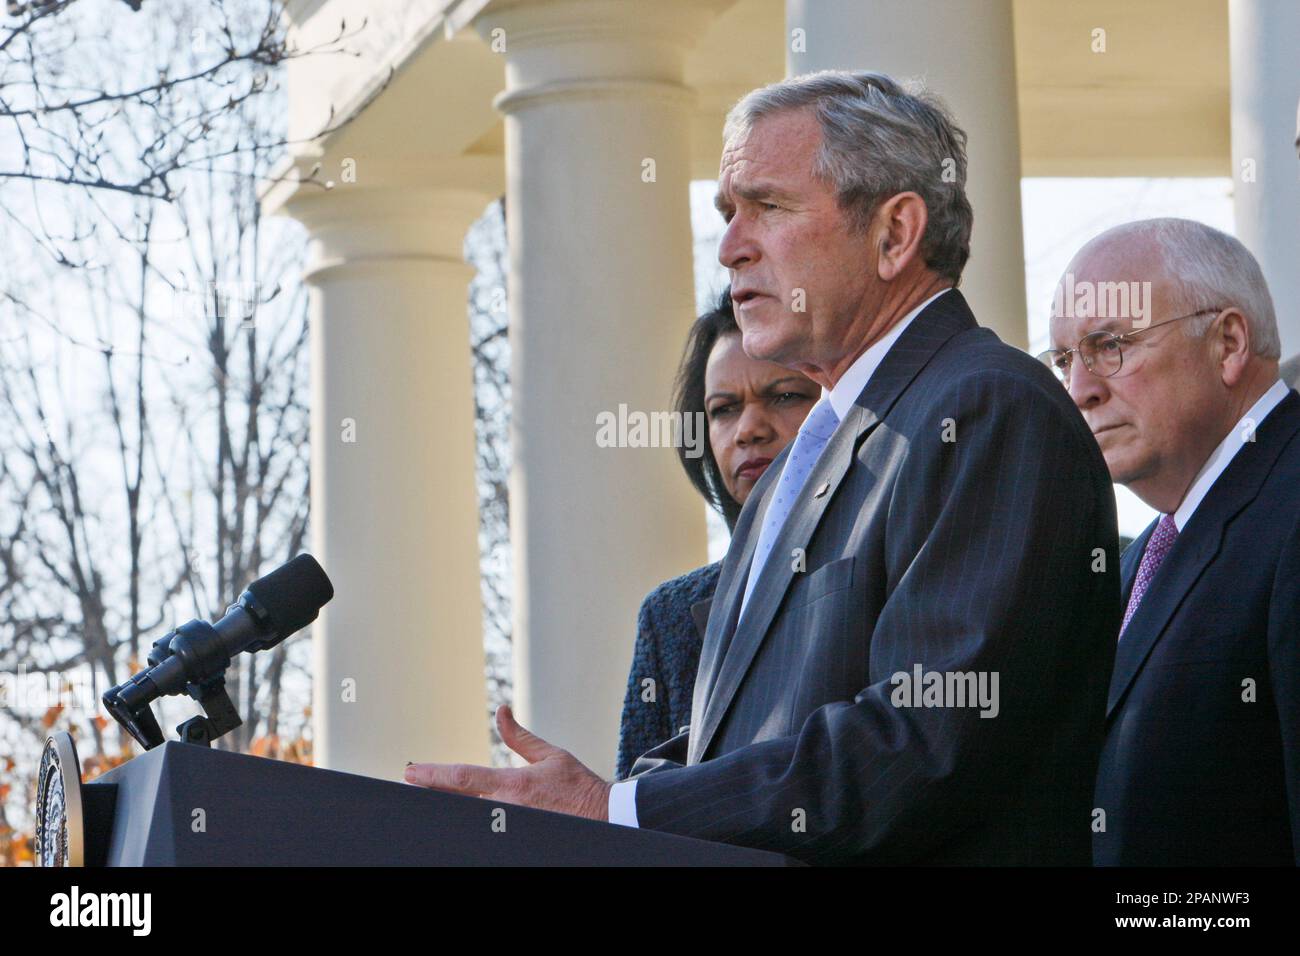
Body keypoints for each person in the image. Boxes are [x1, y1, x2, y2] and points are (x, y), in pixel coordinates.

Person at [405, 70, 1120, 866]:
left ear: (894, 233)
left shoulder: (987, 408)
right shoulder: (803, 460)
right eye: (726, 212)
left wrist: (621, 808)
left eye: (767, 206)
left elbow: (923, 741)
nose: (730, 247)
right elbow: (744, 742)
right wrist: (577, 816)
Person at [1044, 218, 1300, 866]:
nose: (1081, 389)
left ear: (1229, 342)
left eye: (1110, 346)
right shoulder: (1141, 560)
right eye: (1065, 359)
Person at [615, 289, 818, 779]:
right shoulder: (668, 618)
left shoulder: (891, 554)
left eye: (785, 396)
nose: (749, 429)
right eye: (724, 409)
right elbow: (634, 824)